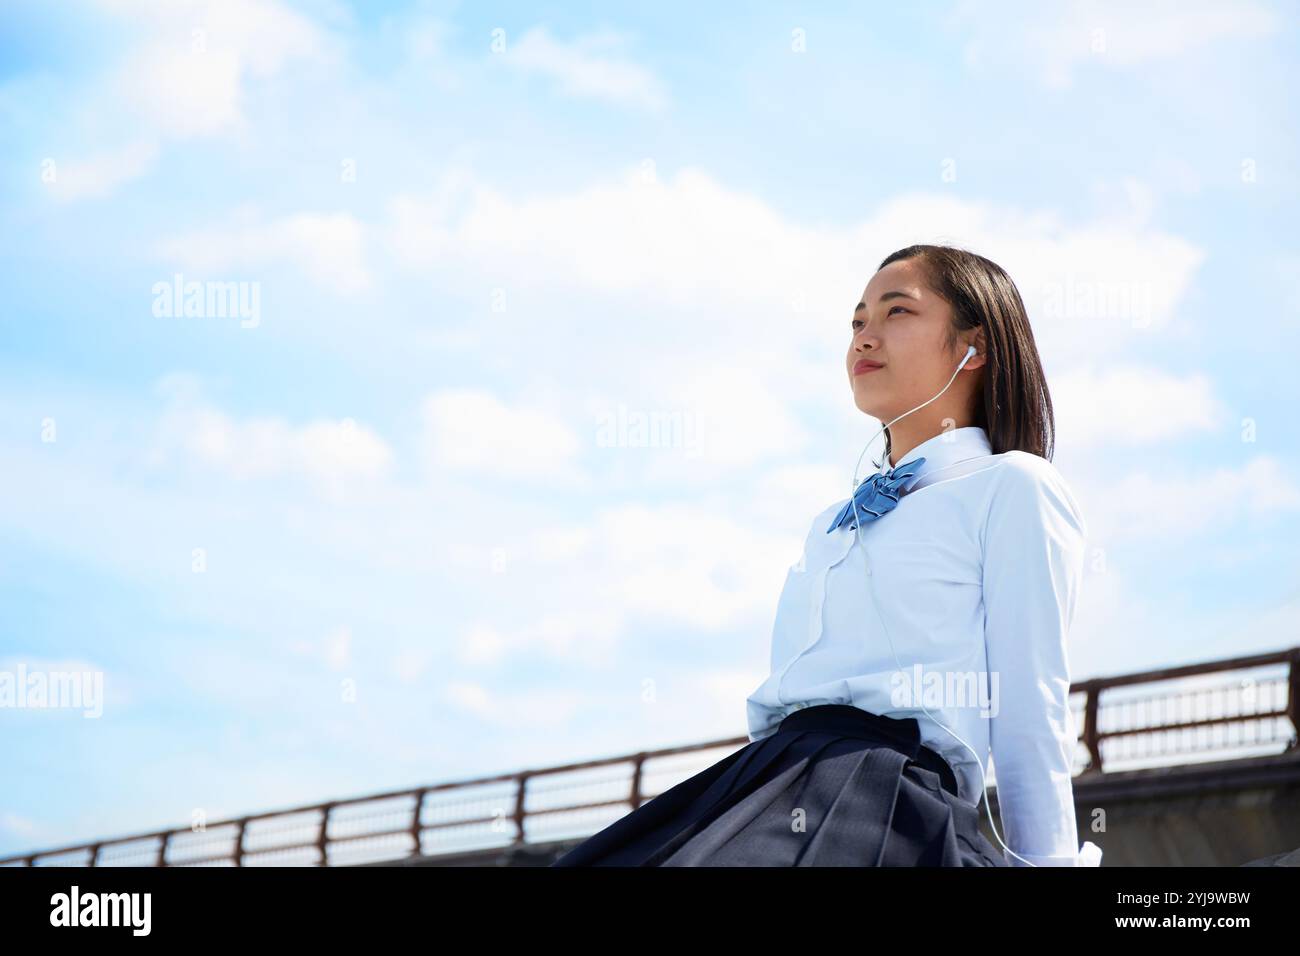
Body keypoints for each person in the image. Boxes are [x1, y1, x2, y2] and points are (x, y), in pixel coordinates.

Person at [552, 244, 1102, 867]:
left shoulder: (1013, 487)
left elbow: (1030, 700)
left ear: (973, 348)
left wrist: (1048, 862)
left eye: (896, 313)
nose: (865, 338)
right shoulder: (834, 521)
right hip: (767, 777)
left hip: (881, 795)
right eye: (857, 321)